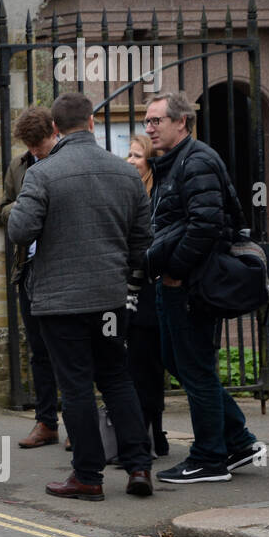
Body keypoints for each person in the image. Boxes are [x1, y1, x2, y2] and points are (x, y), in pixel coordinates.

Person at [8, 92, 153, 501]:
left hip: (59, 301)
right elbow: (143, 239)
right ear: (91, 122)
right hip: (110, 297)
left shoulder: (43, 174)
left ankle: (88, 477)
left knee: (75, 387)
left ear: (55, 128)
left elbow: (20, 231)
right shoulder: (125, 174)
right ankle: (138, 465)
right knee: (117, 379)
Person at [143, 91, 265, 483]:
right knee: (179, 360)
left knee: (195, 368)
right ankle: (239, 441)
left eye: (156, 121)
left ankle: (210, 458)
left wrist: (176, 271)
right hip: (176, 283)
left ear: (181, 122)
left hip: (191, 285)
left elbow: (206, 225)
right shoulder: (175, 162)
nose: (149, 128)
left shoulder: (197, 161)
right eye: (147, 121)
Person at [0, 105, 62, 449]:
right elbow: (3, 208)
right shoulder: (19, 166)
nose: (35, 151)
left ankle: (82, 421)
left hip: (64, 269)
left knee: (70, 349)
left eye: (39, 143)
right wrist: (24, 206)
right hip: (29, 268)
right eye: (30, 145)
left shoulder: (65, 162)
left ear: (55, 132)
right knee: (38, 350)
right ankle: (46, 421)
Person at [126, 133, 169, 457]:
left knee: (149, 367)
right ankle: (149, 432)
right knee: (136, 366)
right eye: (129, 155)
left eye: (137, 156)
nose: (130, 161)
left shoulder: (159, 198)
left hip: (150, 292)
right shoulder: (130, 194)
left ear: (150, 161)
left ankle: (151, 431)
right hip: (127, 292)